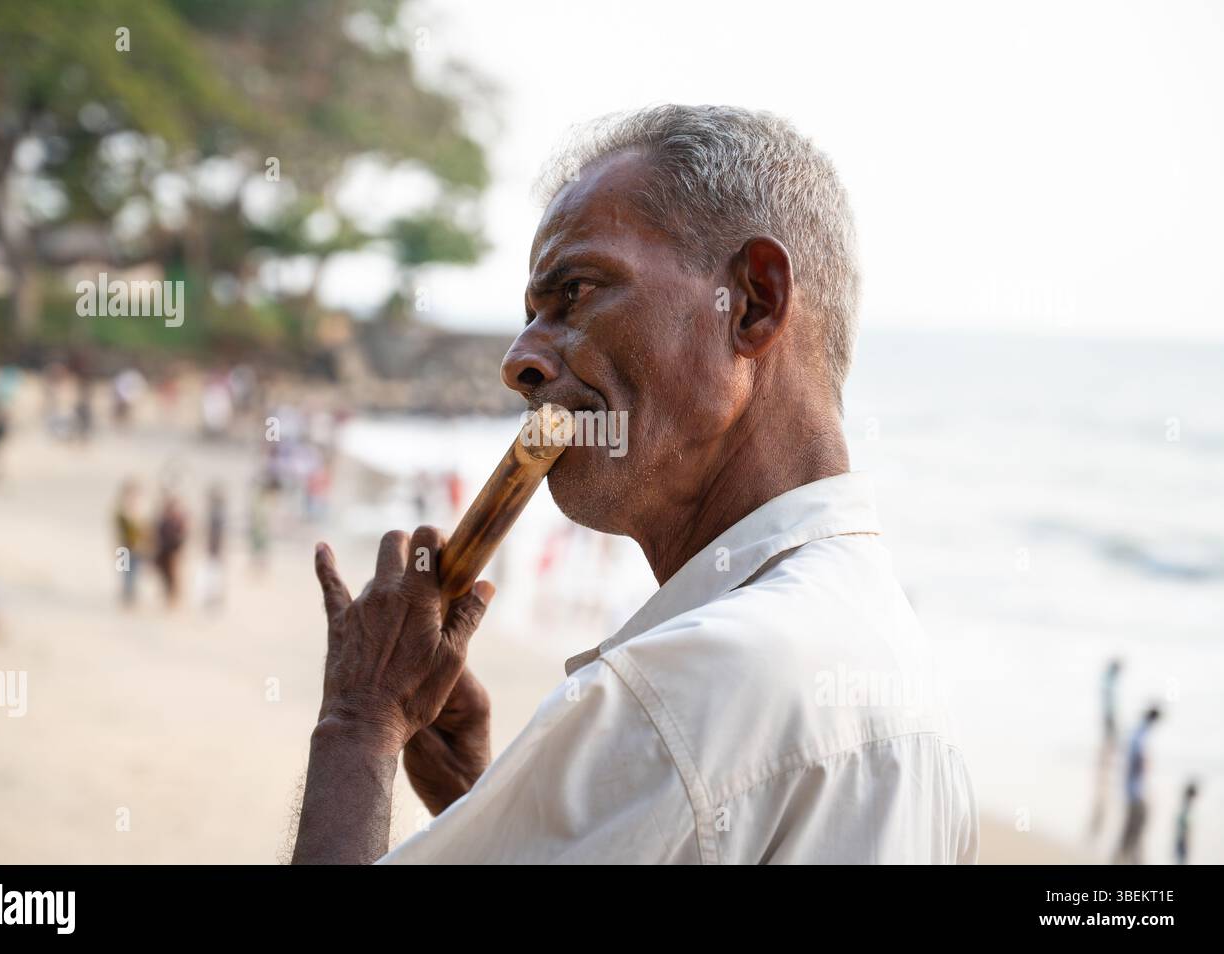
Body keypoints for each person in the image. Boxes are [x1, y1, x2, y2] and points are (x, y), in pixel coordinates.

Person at [291, 105, 978, 865]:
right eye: (531, 314)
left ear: (752, 302)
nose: (518, 361)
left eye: (575, 293)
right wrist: (491, 805)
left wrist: (357, 721)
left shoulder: (688, 689)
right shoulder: (905, 682)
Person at [1114, 706, 1161, 864]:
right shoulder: (1140, 734)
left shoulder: (1137, 732)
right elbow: (1139, 761)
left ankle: (1127, 859)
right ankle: (1126, 859)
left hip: (1132, 789)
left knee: (1132, 829)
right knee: (1133, 829)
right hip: (1135, 791)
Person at [1088, 658, 1122, 837]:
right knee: (1109, 740)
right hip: (1109, 717)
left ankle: (1107, 758)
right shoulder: (1109, 682)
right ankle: (1107, 760)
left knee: (1108, 741)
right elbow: (1110, 707)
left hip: (1107, 717)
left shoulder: (1107, 679)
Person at [153, 492, 189, 607]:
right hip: (164, 552)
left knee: (174, 577)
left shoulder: (178, 520)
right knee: (165, 576)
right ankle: (169, 597)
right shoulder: (163, 520)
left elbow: (183, 535)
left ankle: (173, 598)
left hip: (174, 552)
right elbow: (157, 535)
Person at [115, 480, 146, 606]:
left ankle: (132, 598)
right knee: (125, 574)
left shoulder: (139, 512)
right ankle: (126, 598)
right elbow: (117, 533)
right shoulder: (122, 512)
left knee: (135, 573)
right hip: (124, 549)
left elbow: (143, 532)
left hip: (137, 549)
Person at [1174, 780, 1198, 865]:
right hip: (1182, 839)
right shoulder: (1186, 807)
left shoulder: (1186, 806)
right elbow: (1183, 824)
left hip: (1182, 839)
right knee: (1181, 860)